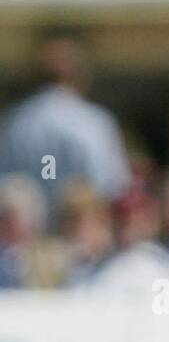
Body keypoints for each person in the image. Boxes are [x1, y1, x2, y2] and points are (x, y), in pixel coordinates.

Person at [0, 33, 131, 214]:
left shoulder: (15, 121)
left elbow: (4, 181)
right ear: (79, 75)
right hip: (78, 230)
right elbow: (114, 186)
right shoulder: (95, 121)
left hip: (26, 232)